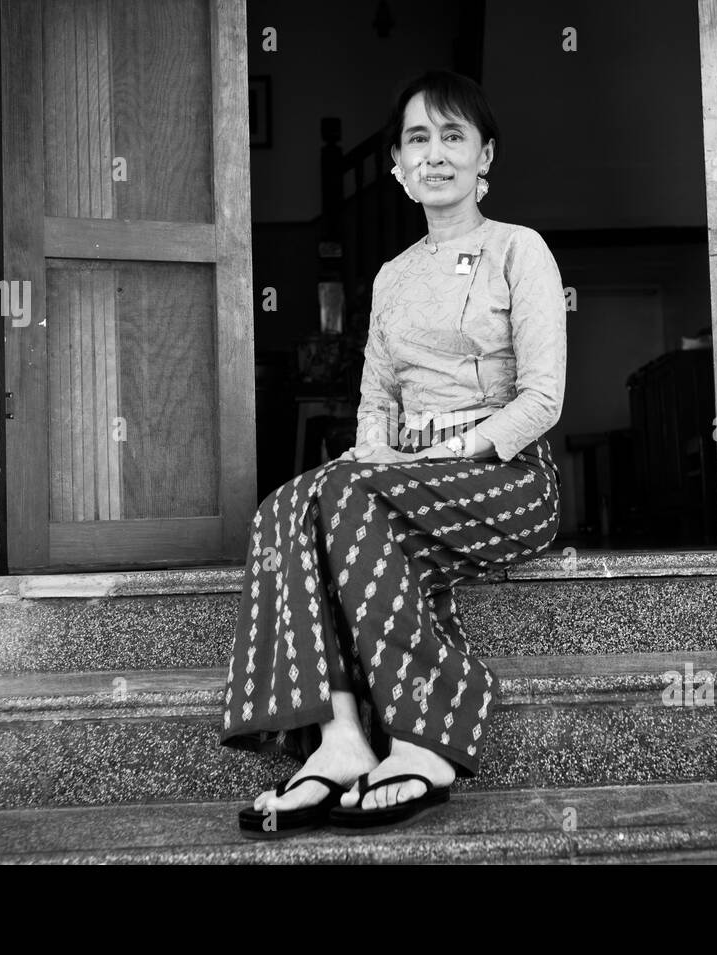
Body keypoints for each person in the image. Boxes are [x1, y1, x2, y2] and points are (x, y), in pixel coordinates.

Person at [221, 70, 567, 837]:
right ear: (398, 168)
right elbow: (375, 399)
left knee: (345, 495)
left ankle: (423, 740)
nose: (435, 154)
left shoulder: (519, 250)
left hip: (503, 474)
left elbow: (543, 399)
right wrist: (376, 455)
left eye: (454, 137)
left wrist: (438, 455)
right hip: (405, 477)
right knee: (285, 505)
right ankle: (340, 737)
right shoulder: (391, 275)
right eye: (419, 139)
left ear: (486, 158)